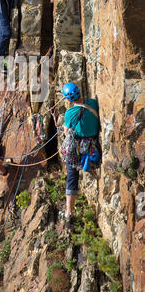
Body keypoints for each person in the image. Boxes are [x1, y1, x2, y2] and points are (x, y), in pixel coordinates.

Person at [60, 83, 100, 228]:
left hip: (78, 148)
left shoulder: (69, 113)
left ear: (68, 99)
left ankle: (69, 213)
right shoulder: (93, 103)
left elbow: (66, 132)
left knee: (71, 175)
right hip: (93, 145)